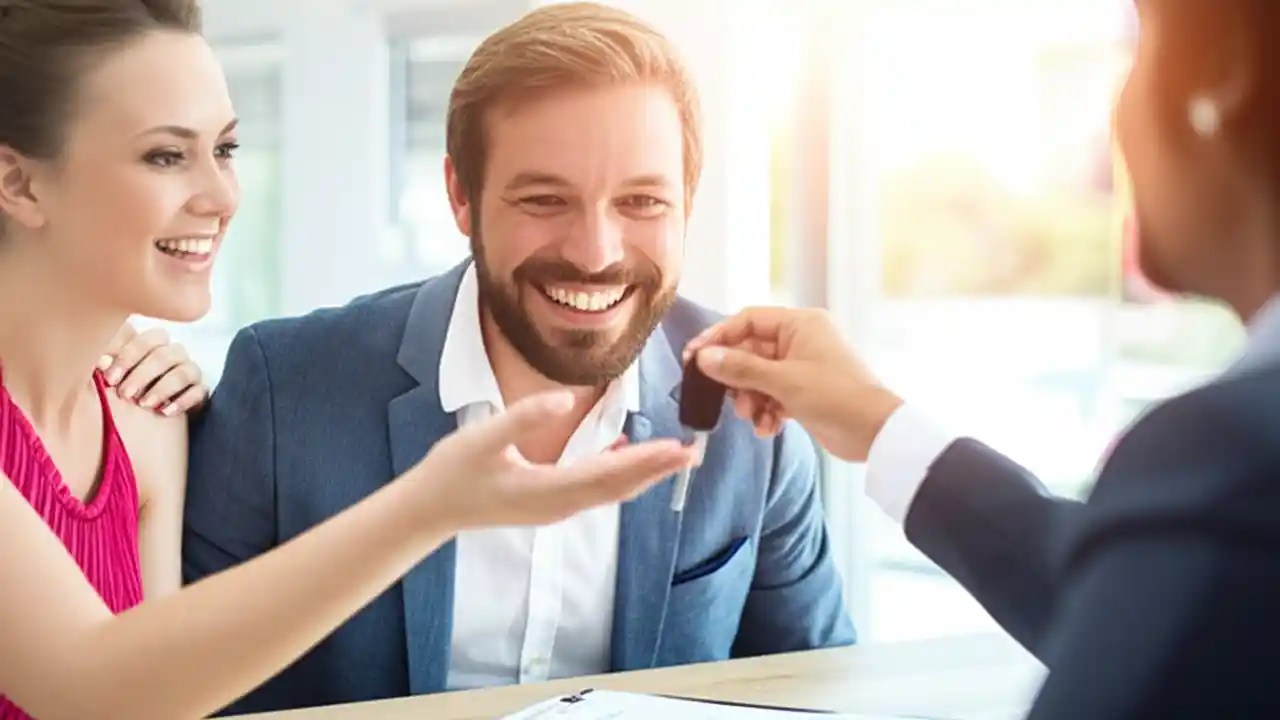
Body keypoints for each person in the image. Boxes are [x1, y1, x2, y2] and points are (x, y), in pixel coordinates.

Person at [0, 2, 696, 719]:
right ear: (19, 184)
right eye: (166, 155)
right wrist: (428, 507)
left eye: (227, 150)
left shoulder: (147, 420)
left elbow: (170, 700)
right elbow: (93, 691)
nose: (222, 195)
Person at [183, 1, 854, 713]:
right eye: (544, 198)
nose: (595, 252)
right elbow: (185, 687)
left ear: (687, 200)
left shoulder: (748, 413)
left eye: (642, 202)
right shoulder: (284, 389)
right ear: (461, 197)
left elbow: (817, 692)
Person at [684, 1, 1280, 716]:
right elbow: (1132, 608)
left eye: (1137, 53)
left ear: (1219, 81)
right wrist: (879, 424)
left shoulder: (1229, 454)